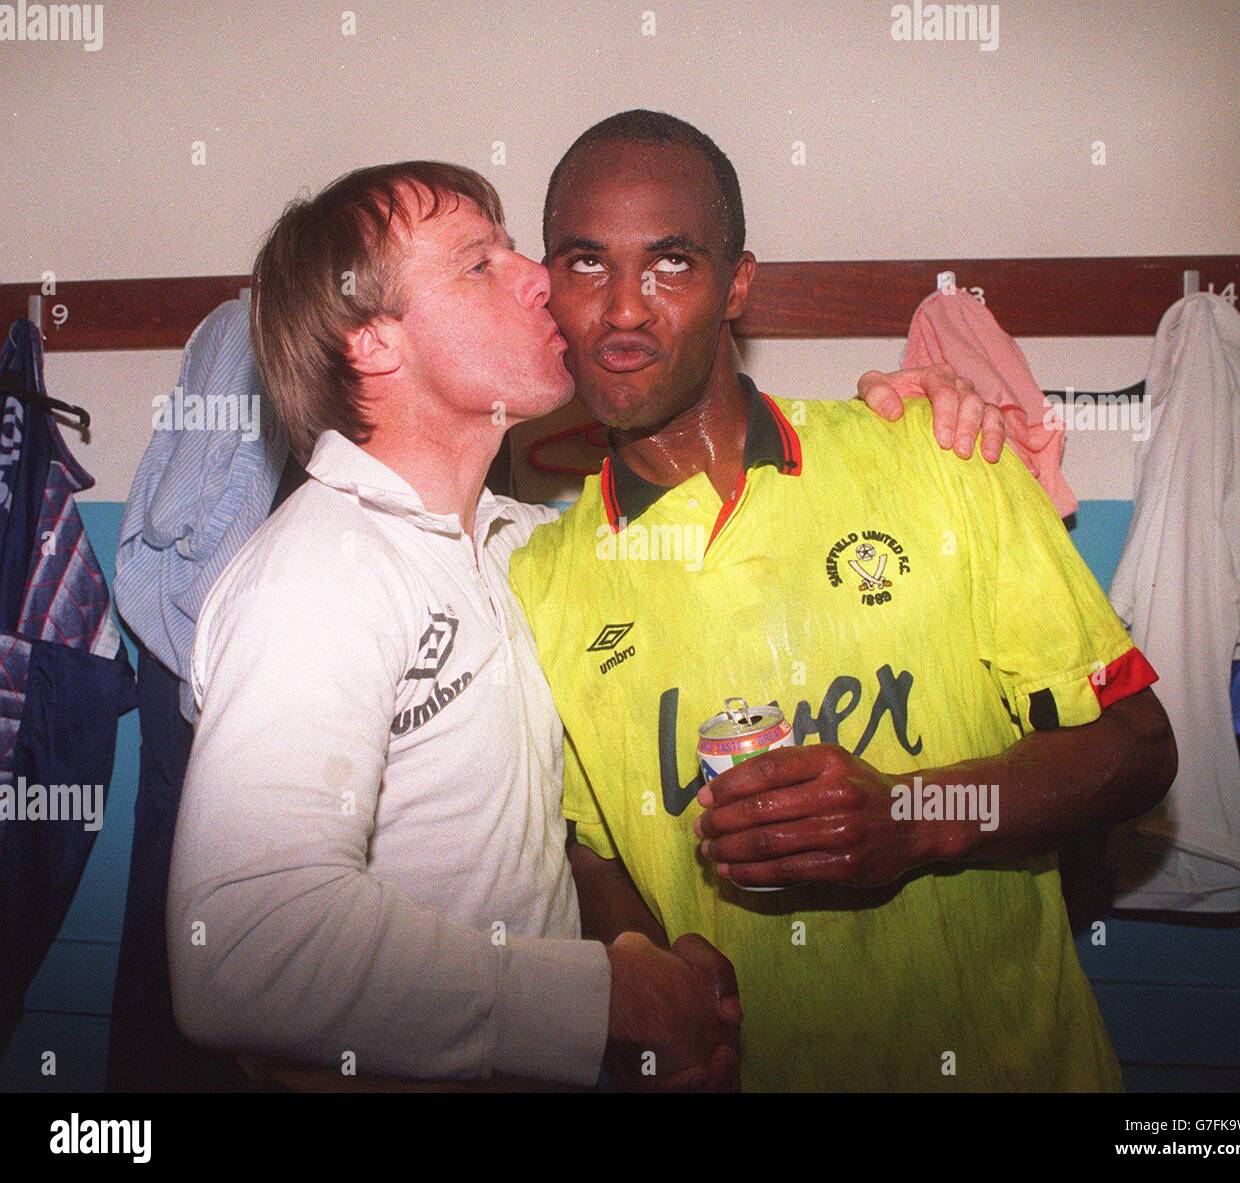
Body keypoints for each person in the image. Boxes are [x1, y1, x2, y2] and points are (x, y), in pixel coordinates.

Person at [166, 158, 1000, 1090]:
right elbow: (241, 949)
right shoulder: (316, 573)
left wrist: (904, 430)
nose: (539, 278)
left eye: (518, 247)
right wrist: (605, 998)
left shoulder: (520, 547)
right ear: (371, 341)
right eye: (479, 262)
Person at [508, 110, 1179, 1091]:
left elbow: (1137, 747)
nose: (621, 308)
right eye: (583, 263)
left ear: (737, 283)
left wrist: (915, 817)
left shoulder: (937, 454)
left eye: (672, 262)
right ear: (547, 287)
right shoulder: (537, 583)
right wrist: (646, 980)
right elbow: (586, 847)